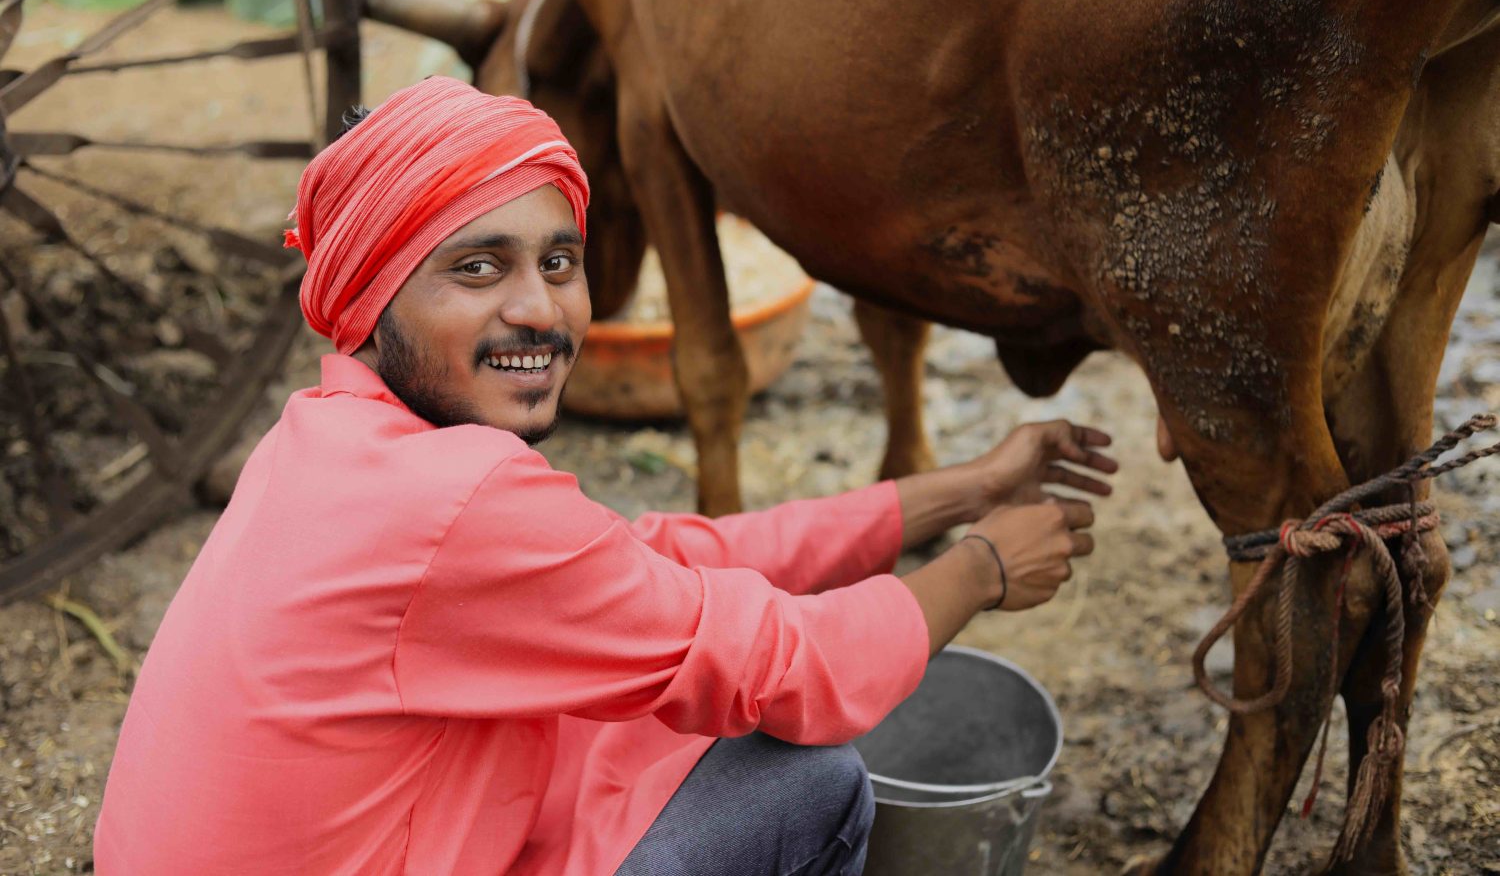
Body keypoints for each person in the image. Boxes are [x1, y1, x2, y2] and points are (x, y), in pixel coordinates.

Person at [93, 77, 1114, 876]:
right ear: (371, 295)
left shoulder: (327, 438)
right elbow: (789, 668)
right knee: (804, 778)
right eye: (477, 268)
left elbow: (654, 558)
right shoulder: (455, 501)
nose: (540, 309)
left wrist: (959, 490)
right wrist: (980, 567)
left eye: (558, 261)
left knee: (625, 712)